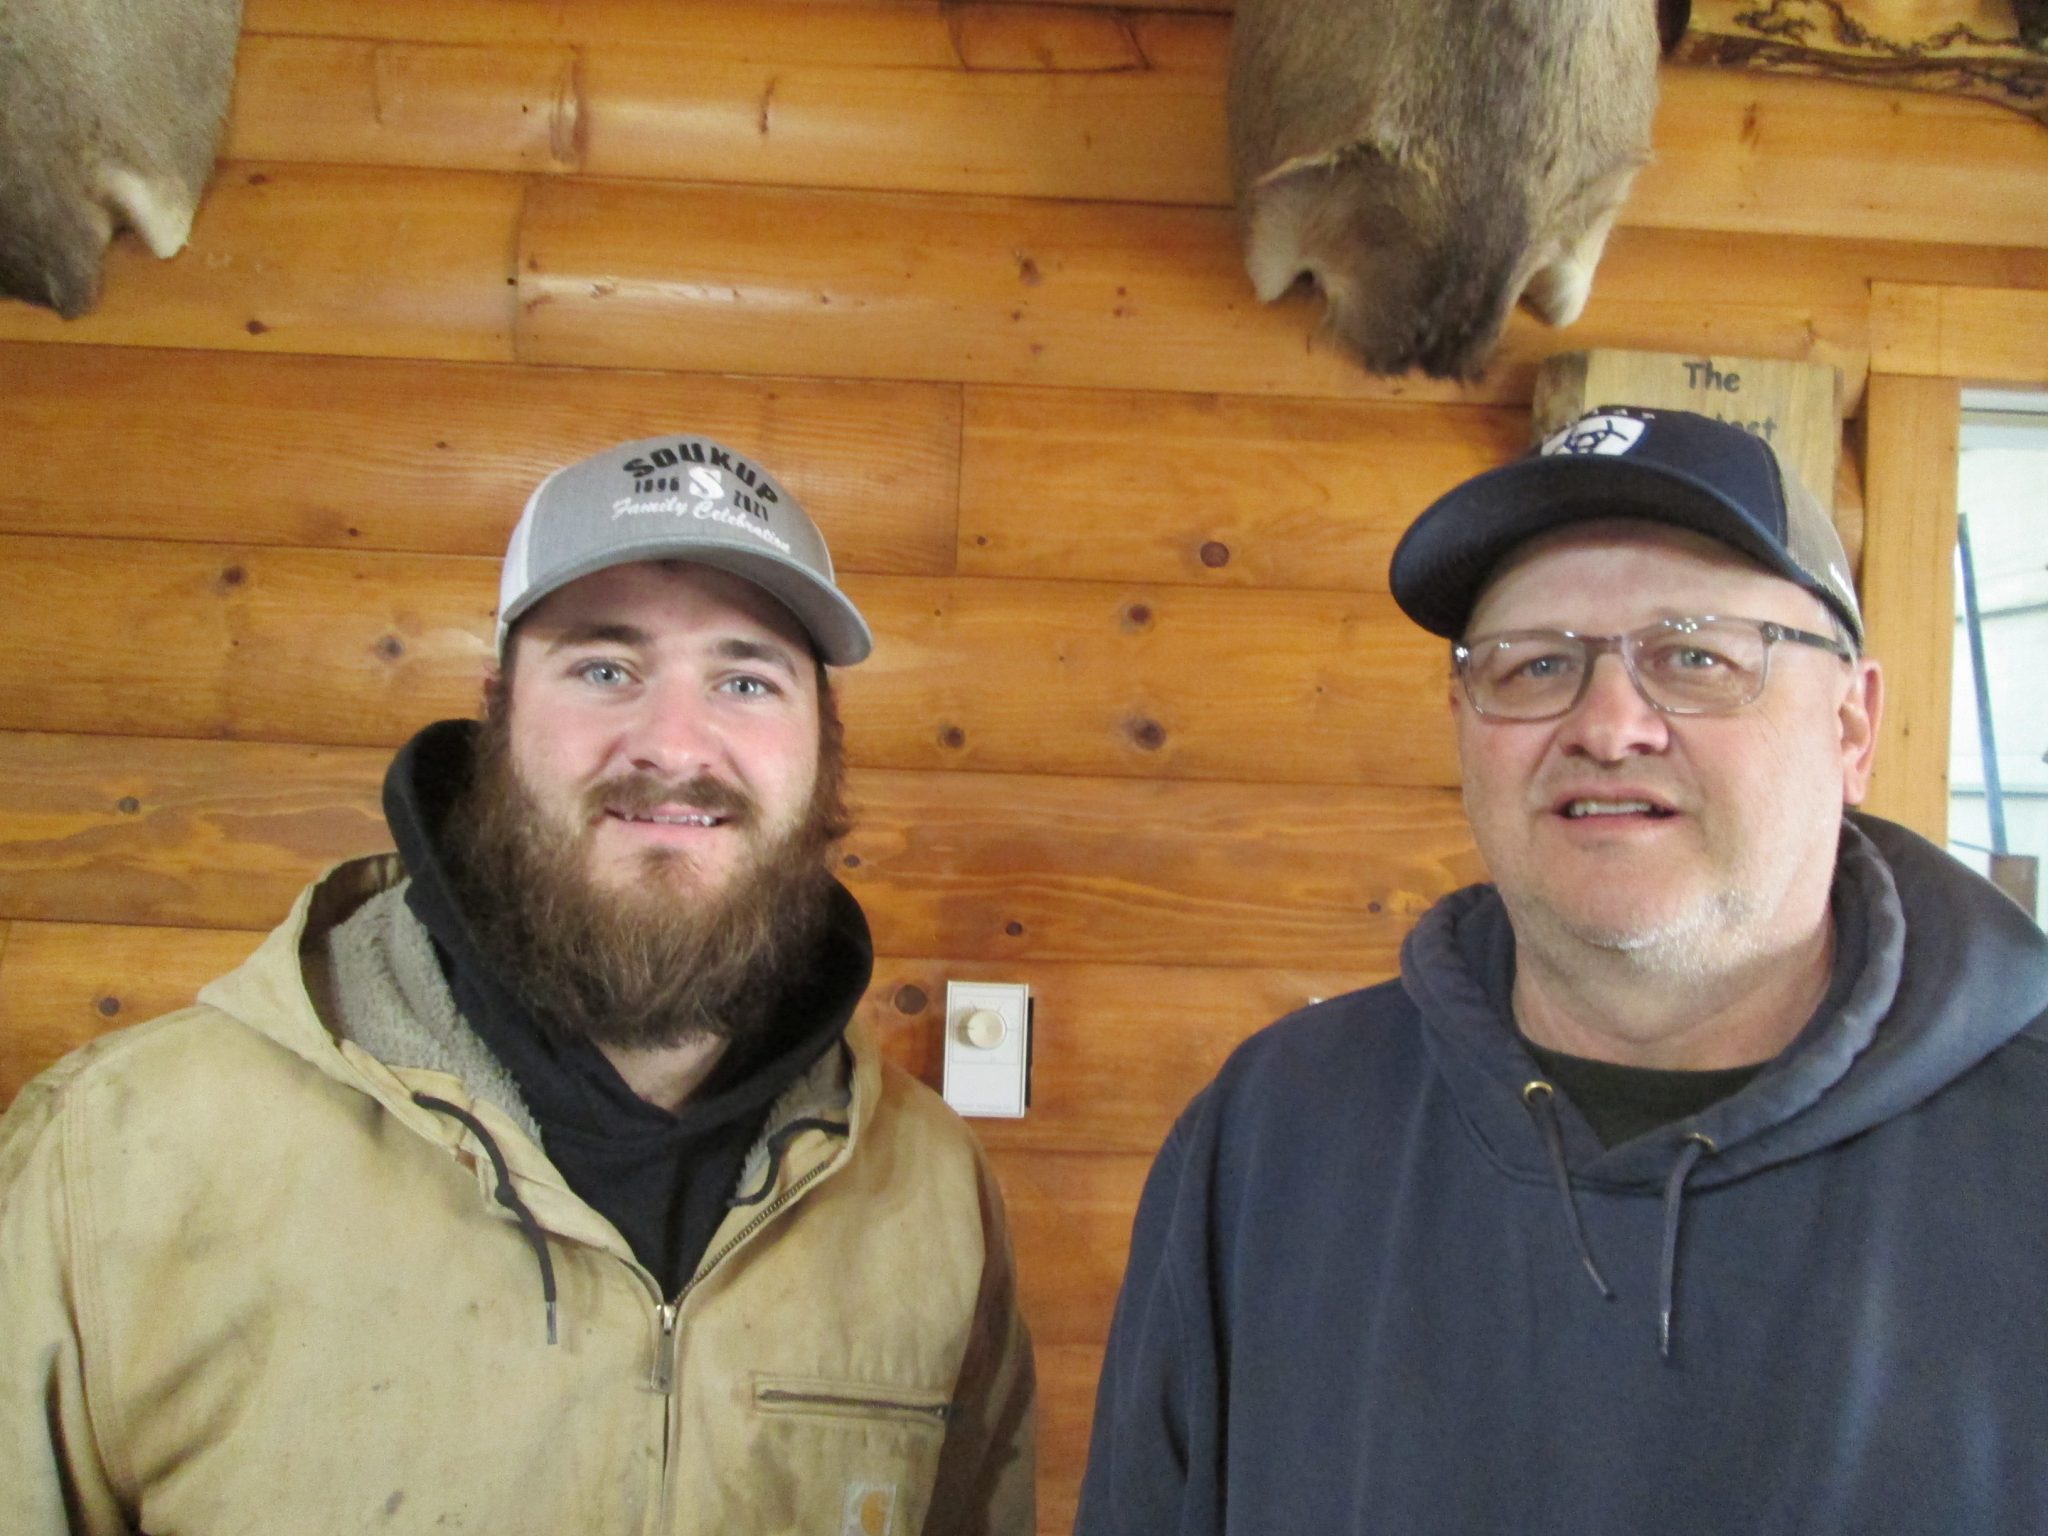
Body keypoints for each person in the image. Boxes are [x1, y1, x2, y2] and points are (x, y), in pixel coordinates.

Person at [0, 435, 1034, 1534]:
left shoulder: (927, 1190)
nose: (673, 745)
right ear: (497, 712)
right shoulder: (115, 1149)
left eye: (744, 679)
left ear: (822, 744)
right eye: (603, 668)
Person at [1075, 406, 2048, 1534]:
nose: (1607, 723)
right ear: (1460, 722)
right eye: (1535, 664)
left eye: (1693, 656)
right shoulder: (1269, 1138)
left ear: (1849, 723)